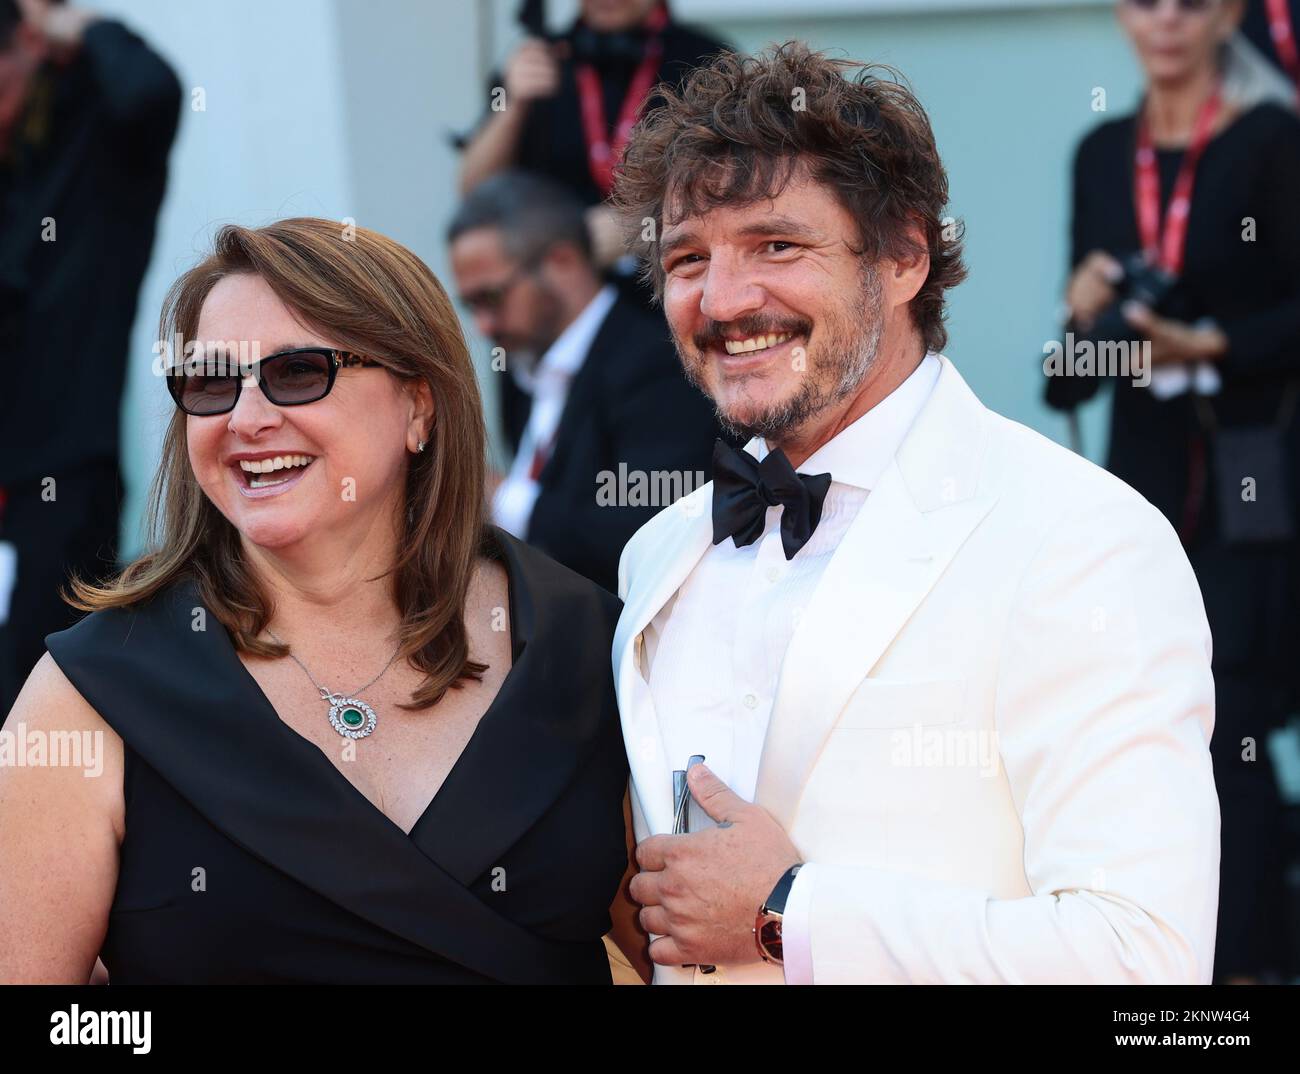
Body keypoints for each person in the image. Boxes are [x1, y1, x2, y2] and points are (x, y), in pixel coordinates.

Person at [609, 42, 1220, 984]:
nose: (724, 300)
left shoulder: (1084, 540)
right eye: (689, 258)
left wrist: (787, 915)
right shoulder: (659, 553)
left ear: (902, 256)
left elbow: (1144, 964)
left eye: (777, 244)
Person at [0, 218, 640, 984]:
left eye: (298, 372)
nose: (245, 419)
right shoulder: (92, 693)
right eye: (211, 382)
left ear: (419, 407)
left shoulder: (583, 642)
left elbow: (697, 962)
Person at [1046, 0, 1300, 983]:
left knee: (1230, 721)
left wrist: (1217, 344)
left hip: (1251, 473)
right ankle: (1157, 954)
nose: (1165, 22)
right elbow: (1070, 376)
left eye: (1190, 3)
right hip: (1143, 481)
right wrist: (1082, 315)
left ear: (1228, 14)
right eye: (1145, 1)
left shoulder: (1272, 141)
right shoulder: (1101, 152)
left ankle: (1239, 972)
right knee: (1149, 725)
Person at [0, 0, 180, 718]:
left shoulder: (101, 144)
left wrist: (82, 26)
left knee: (44, 704)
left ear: (28, 51)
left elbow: (152, 91)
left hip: (61, 476)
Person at [449, 170, 724, 594]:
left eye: (492, 297)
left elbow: (655, 525)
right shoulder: (525, 359)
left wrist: (503, 501)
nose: (483, 326)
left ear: (561, 262)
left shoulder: (656, 361)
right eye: (470, 305)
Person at [457, 0, 728, 304]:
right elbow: (475, 190)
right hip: (559, 300)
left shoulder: (705, 59)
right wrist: (511, 104)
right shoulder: (541, 57)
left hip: (667, 290)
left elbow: (732, 188)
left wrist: (644, 224)